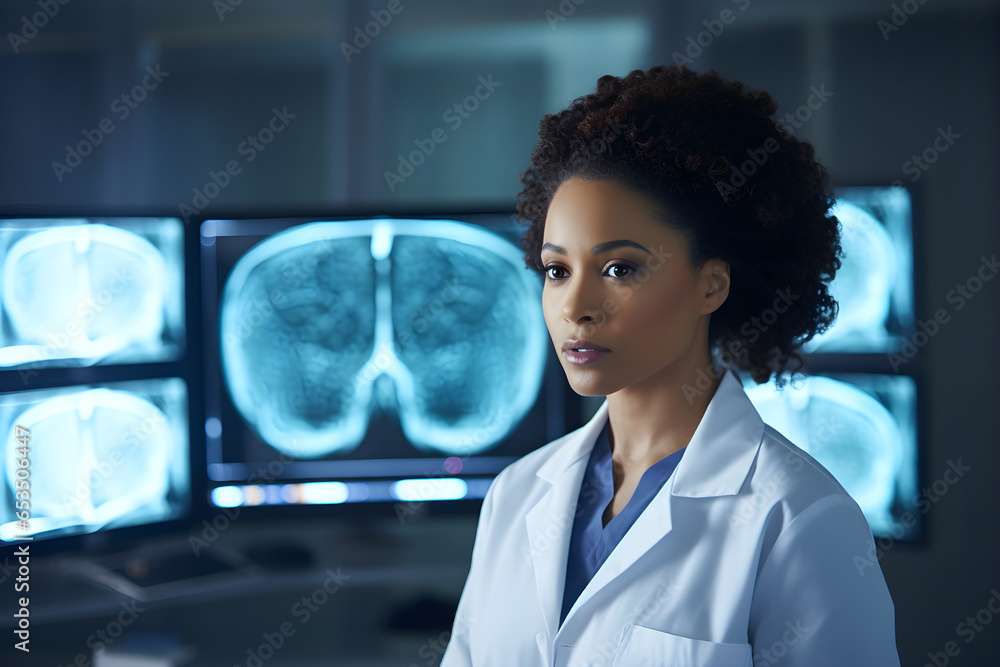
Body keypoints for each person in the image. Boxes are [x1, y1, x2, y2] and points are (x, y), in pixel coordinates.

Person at [439, 64, 900, 666]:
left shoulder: (801, 519)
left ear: (712, 285)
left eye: (620, 268)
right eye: (557, 270)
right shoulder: (516, 494)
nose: (575, 308)